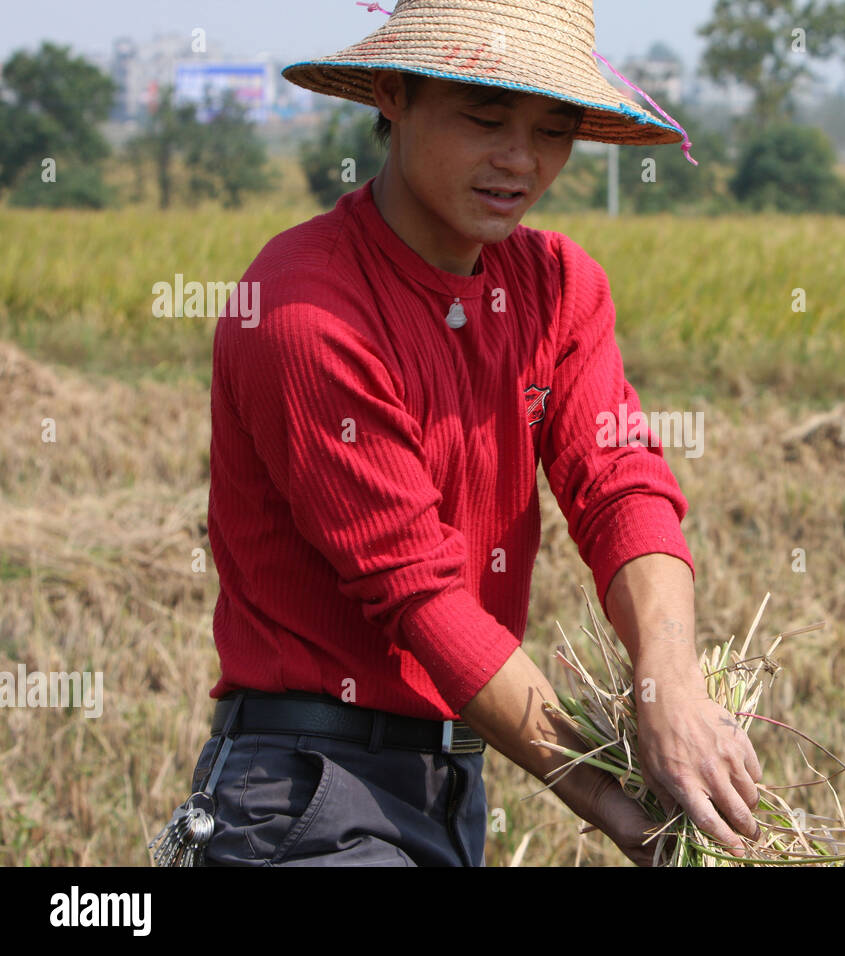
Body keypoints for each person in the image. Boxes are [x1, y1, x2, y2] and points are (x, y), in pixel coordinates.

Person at [183, 0, 762, 867]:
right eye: (486, 118)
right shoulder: (306, 310)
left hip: (451, 782)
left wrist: (671, 686)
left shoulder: (559, 286)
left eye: (553, 132)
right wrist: (608, 792)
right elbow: (419, 593)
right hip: (306, 796)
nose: (521, 161)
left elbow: (621, 490)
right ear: (394, 95)